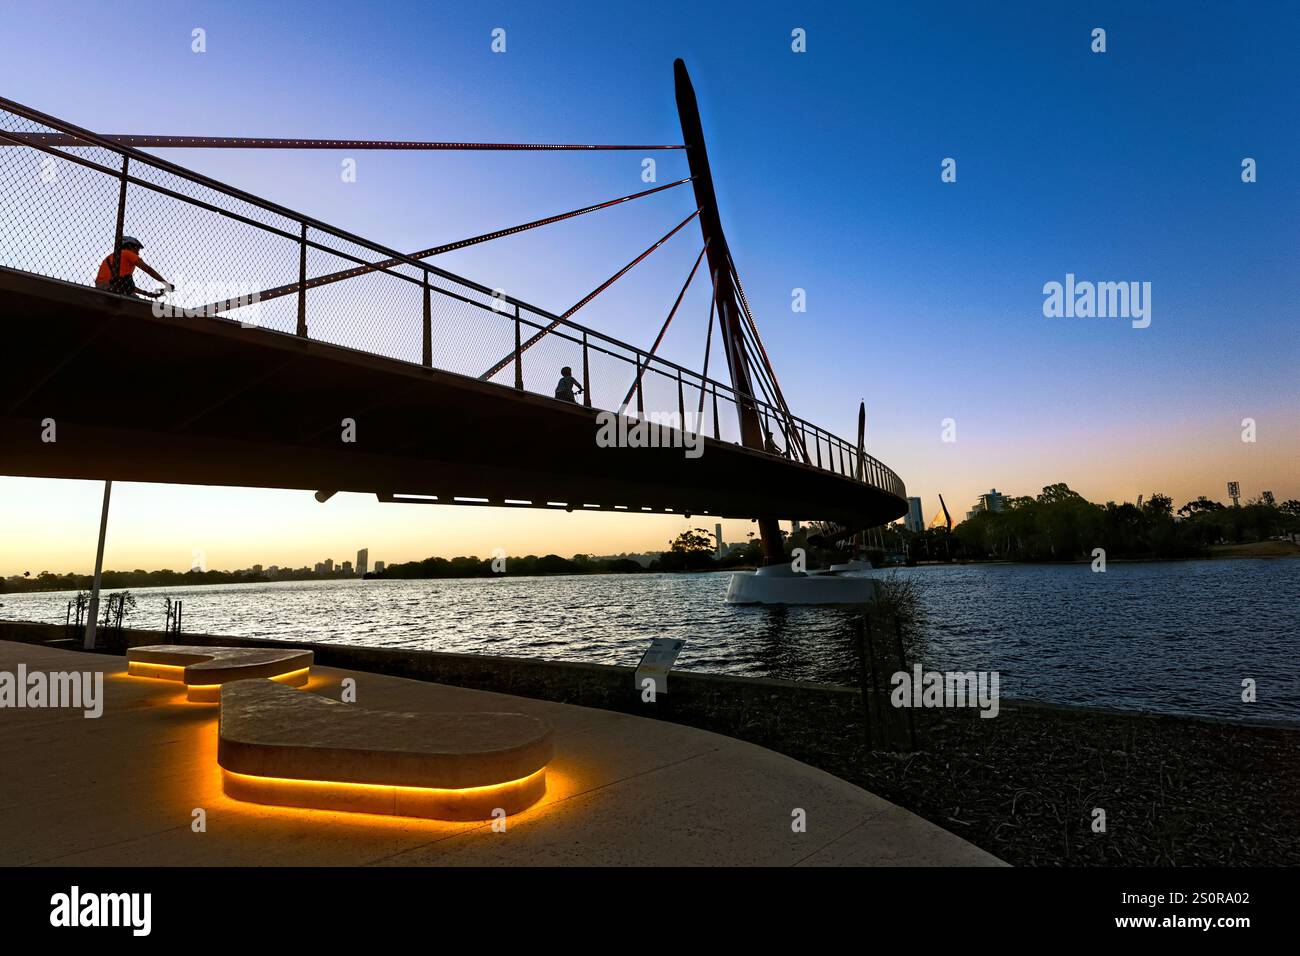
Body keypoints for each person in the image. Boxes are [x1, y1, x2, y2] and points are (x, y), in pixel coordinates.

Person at [95, 236, 171, 297]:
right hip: (111, 287)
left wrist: (146, 293)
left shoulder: (115, 256)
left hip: (102, 287)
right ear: (129, 246)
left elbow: (126, 286)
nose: (138, 252)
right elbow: (148, 269)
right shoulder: (127, 253)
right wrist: (166, 283)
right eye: (137, 248)